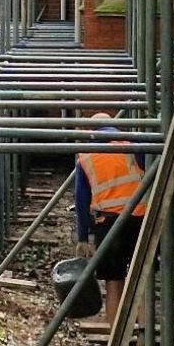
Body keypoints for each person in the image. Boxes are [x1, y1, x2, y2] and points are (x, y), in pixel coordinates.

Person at [73, 114, 148, 327]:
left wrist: (82, 238)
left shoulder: (86, 158)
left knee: (113, 282)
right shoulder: (134, 146)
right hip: (139, 220)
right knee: (139, 278)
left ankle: (114, 335)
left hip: (108, 225)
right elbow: (158, 168)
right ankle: (143, 331)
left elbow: (81, 200)